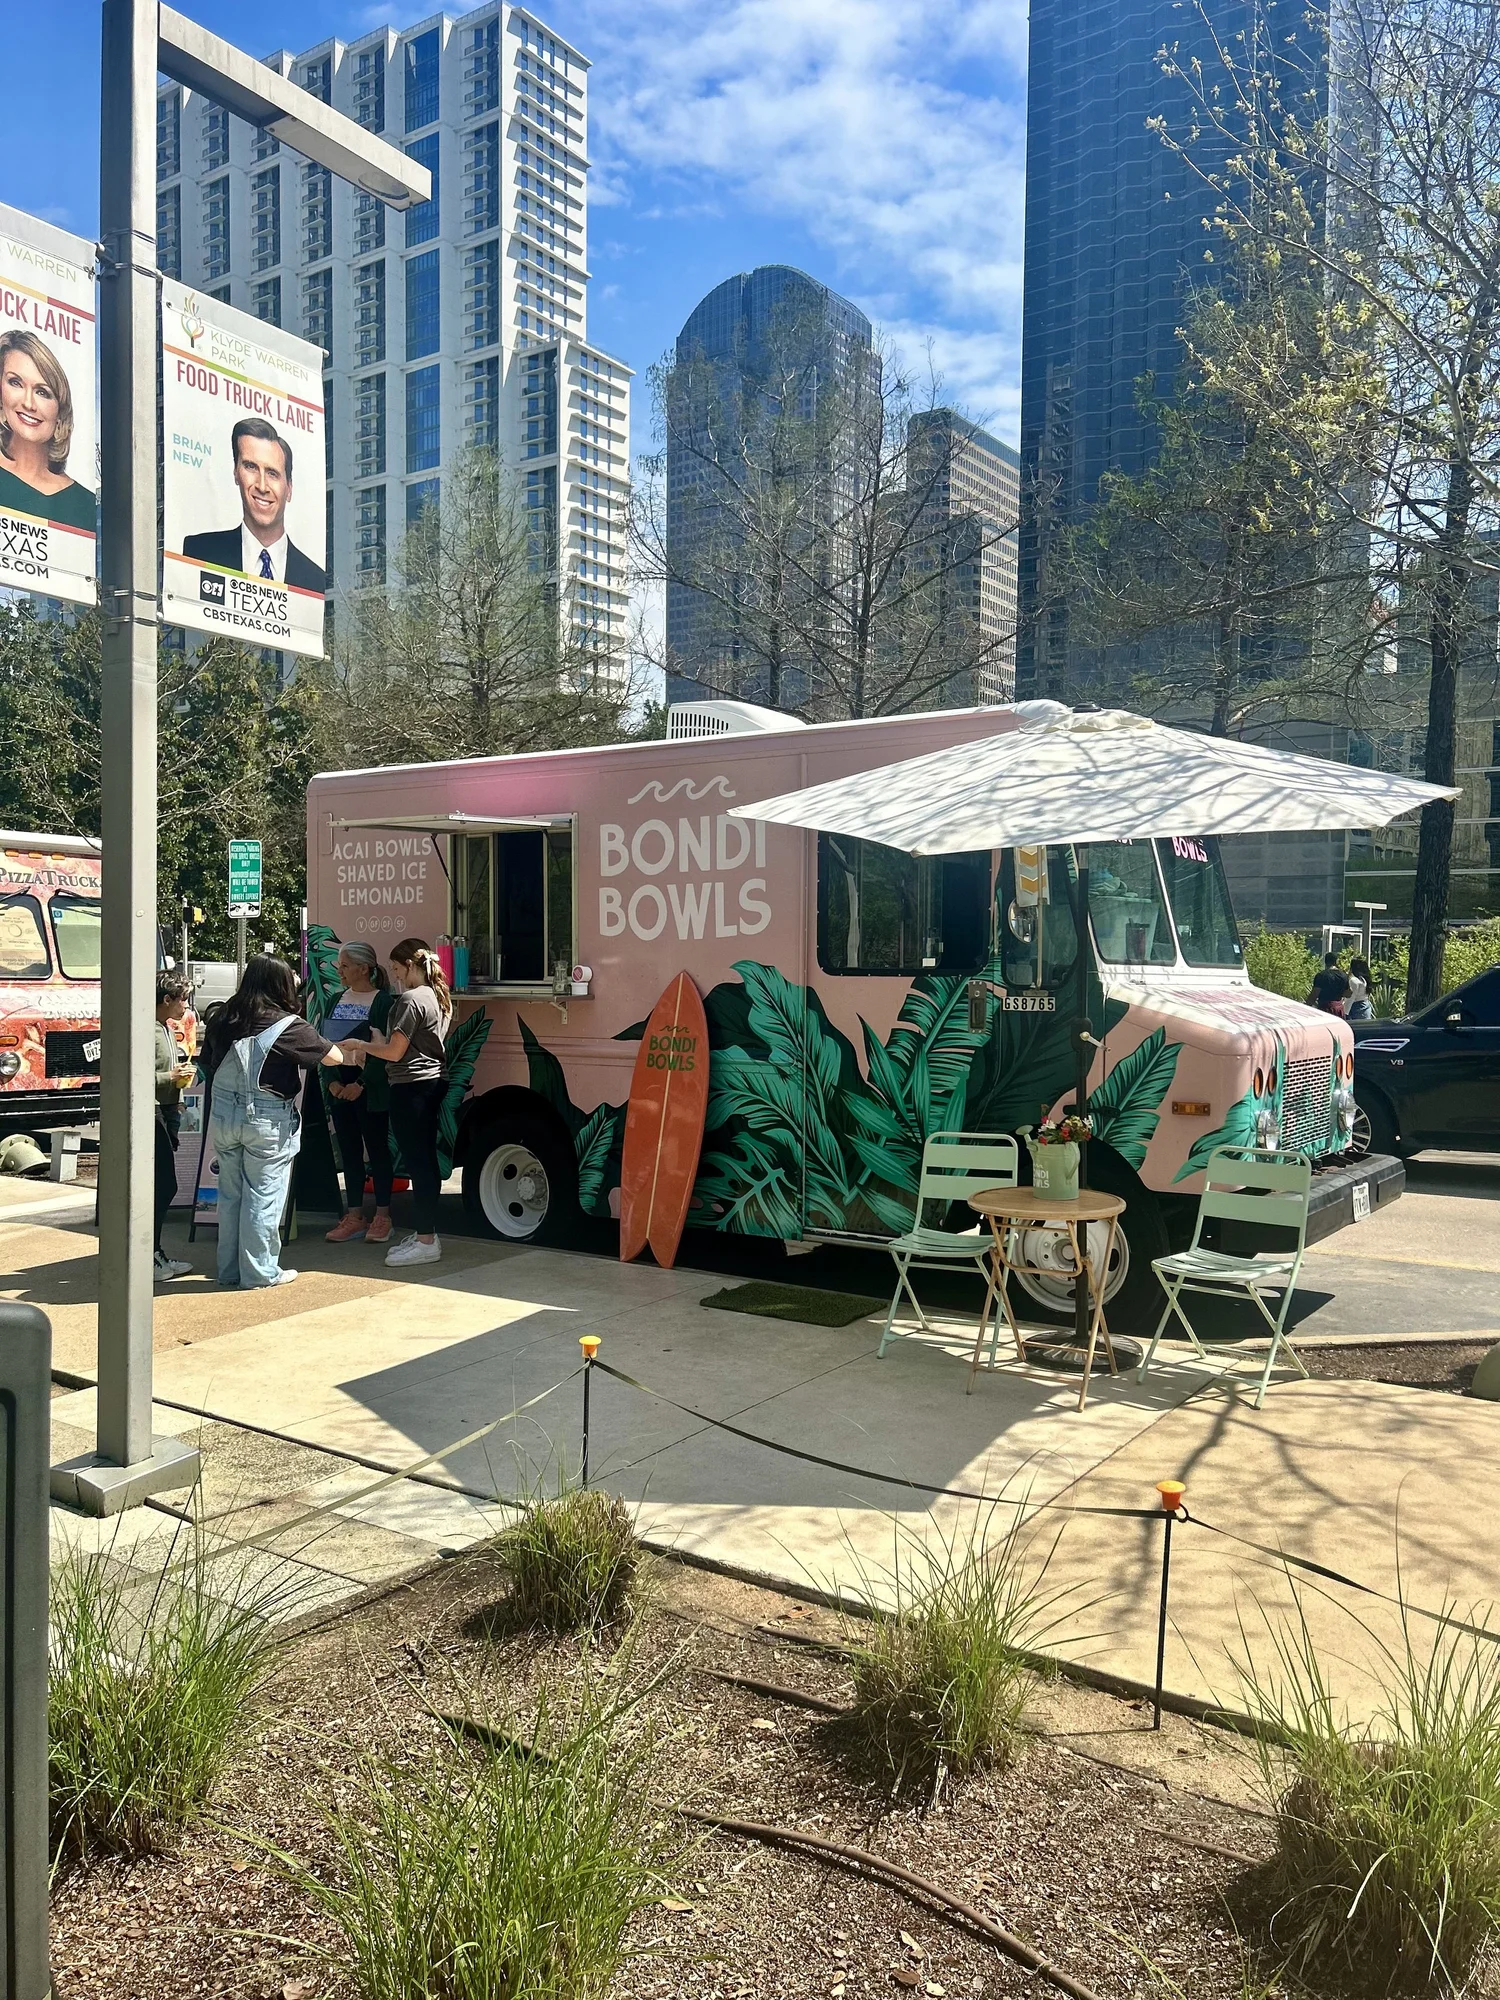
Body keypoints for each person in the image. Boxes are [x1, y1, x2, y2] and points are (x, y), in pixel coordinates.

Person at [199, 955, 348, 1289]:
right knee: (262, 1197)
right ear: (280, 985)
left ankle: (229, 1271)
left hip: (223, 1117)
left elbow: (208, 1063)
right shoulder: (287, 1025)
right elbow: (333, 1057)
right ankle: (260, 1273)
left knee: (231, 1196)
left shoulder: (222, 1016)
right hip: (266, 1120)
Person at [350, 938, 451, 1268]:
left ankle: (426, 1241)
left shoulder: (411, 999)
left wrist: (362, 1045)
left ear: (410, 965)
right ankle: (426, 1234)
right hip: (432, 1083)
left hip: (410, 1086)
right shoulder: (437, 996)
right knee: (426, 1161)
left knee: (418, 1163)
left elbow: (395, 1052)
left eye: (395, 968)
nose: (393, 975)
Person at [182, 416, 325, 591]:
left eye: (272, 473)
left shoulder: (316, 581)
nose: (262, 486)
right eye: (251, 467)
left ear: (289, 488)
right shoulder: (199, 552)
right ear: (236, 473)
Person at [321, 943, 397, 1245]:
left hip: (370, 1086)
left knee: (377, 1149)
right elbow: (324, 1043)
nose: (339, 971)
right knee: (349, 1150)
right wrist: (332, 1082)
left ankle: (383, 1216)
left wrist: (362, 1084)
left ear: (363, 968)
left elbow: (385, 1051)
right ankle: (354, 1215)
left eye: (345, 965)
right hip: (341, 1082)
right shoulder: (335, 999)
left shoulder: (382, 1002)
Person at [0, 330, 96, 532]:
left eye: (42, 392)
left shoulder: (86, 506)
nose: (28, 403)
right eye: (15, 383)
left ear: (60, 411)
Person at [154, 972, 195, 1282]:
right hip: (151, 1112)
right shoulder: (148, 1029)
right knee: (163, 1185)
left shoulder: (165, 1028)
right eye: (183, 1000)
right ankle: (149, 1254)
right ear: (167, 1000)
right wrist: (170, 1077)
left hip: (166, 1111)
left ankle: (154, 1252)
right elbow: (132, 1074)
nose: (187, 1007)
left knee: (164, 1184)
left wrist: (177, 1095)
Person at [1345, 955, 1376, 1021]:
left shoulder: (1353, 981)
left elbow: (1350, 998)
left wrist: (1345, 1013)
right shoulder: (1363, 979)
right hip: (1365, 1006)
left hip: (1356, 1008)